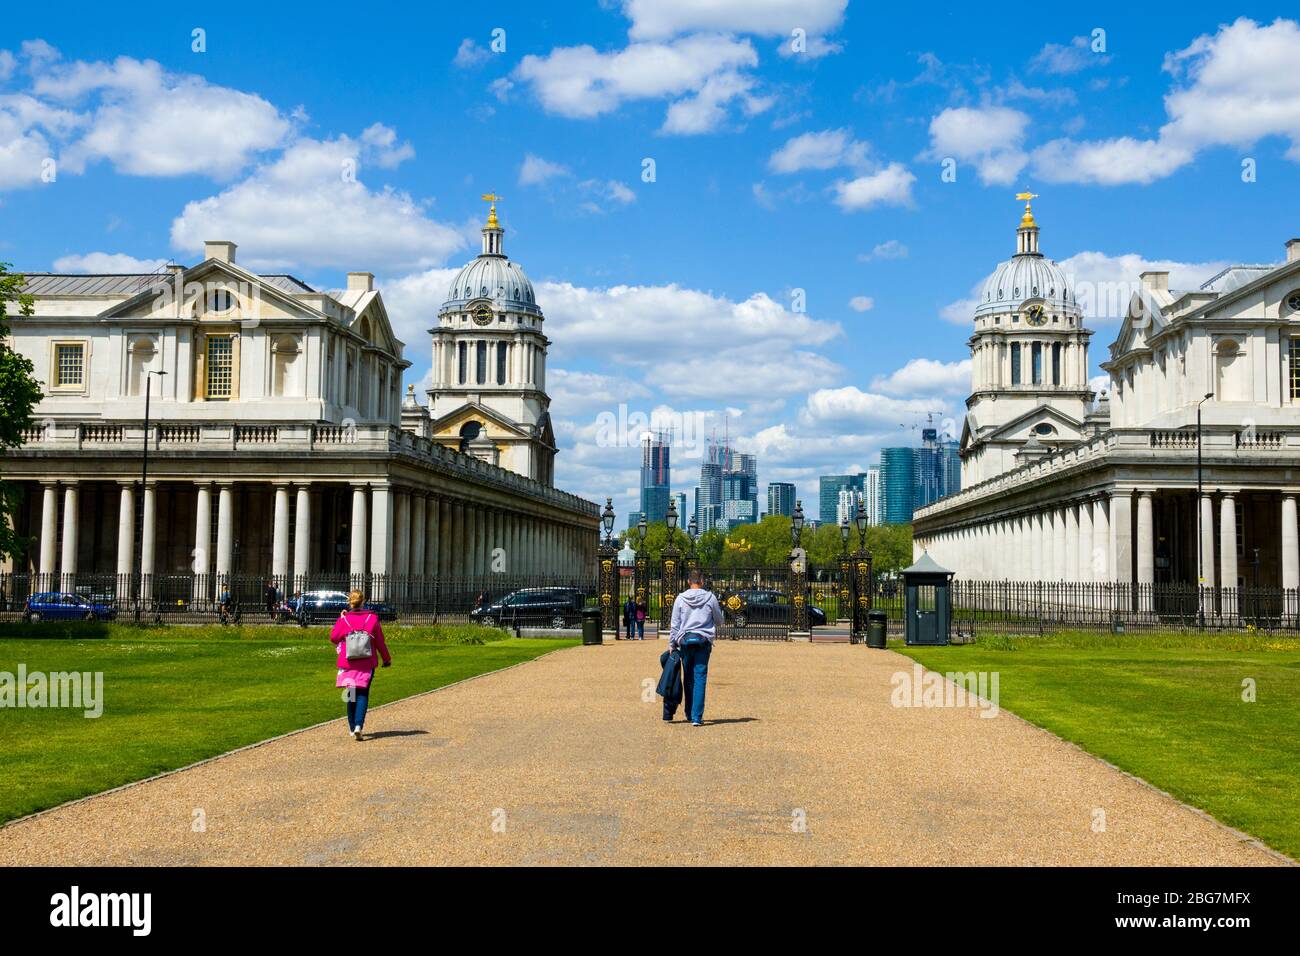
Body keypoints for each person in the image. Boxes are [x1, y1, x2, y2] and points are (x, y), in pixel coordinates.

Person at [329, 590, 391, 741]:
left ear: (350, 602)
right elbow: (379, 642)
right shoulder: (372, 618)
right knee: (363, 694)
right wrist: (386, 659)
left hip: (348, 662)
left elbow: (333, 637)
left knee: (351, 694)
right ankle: (358, 725)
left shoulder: (344, 620)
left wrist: (341, 619)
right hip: (366, 662)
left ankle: (351, 727)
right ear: (363, 601)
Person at [667, 569, 723, 726]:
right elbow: (719, 621)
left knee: (688, 678)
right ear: (702, 581)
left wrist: (672, 644)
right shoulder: (710, 598)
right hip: (703, 641)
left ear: (688, 581)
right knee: (700, 677)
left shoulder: (680, 599)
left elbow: (675, 624)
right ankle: (697, 716)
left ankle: (689, 712)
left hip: (685, 641)